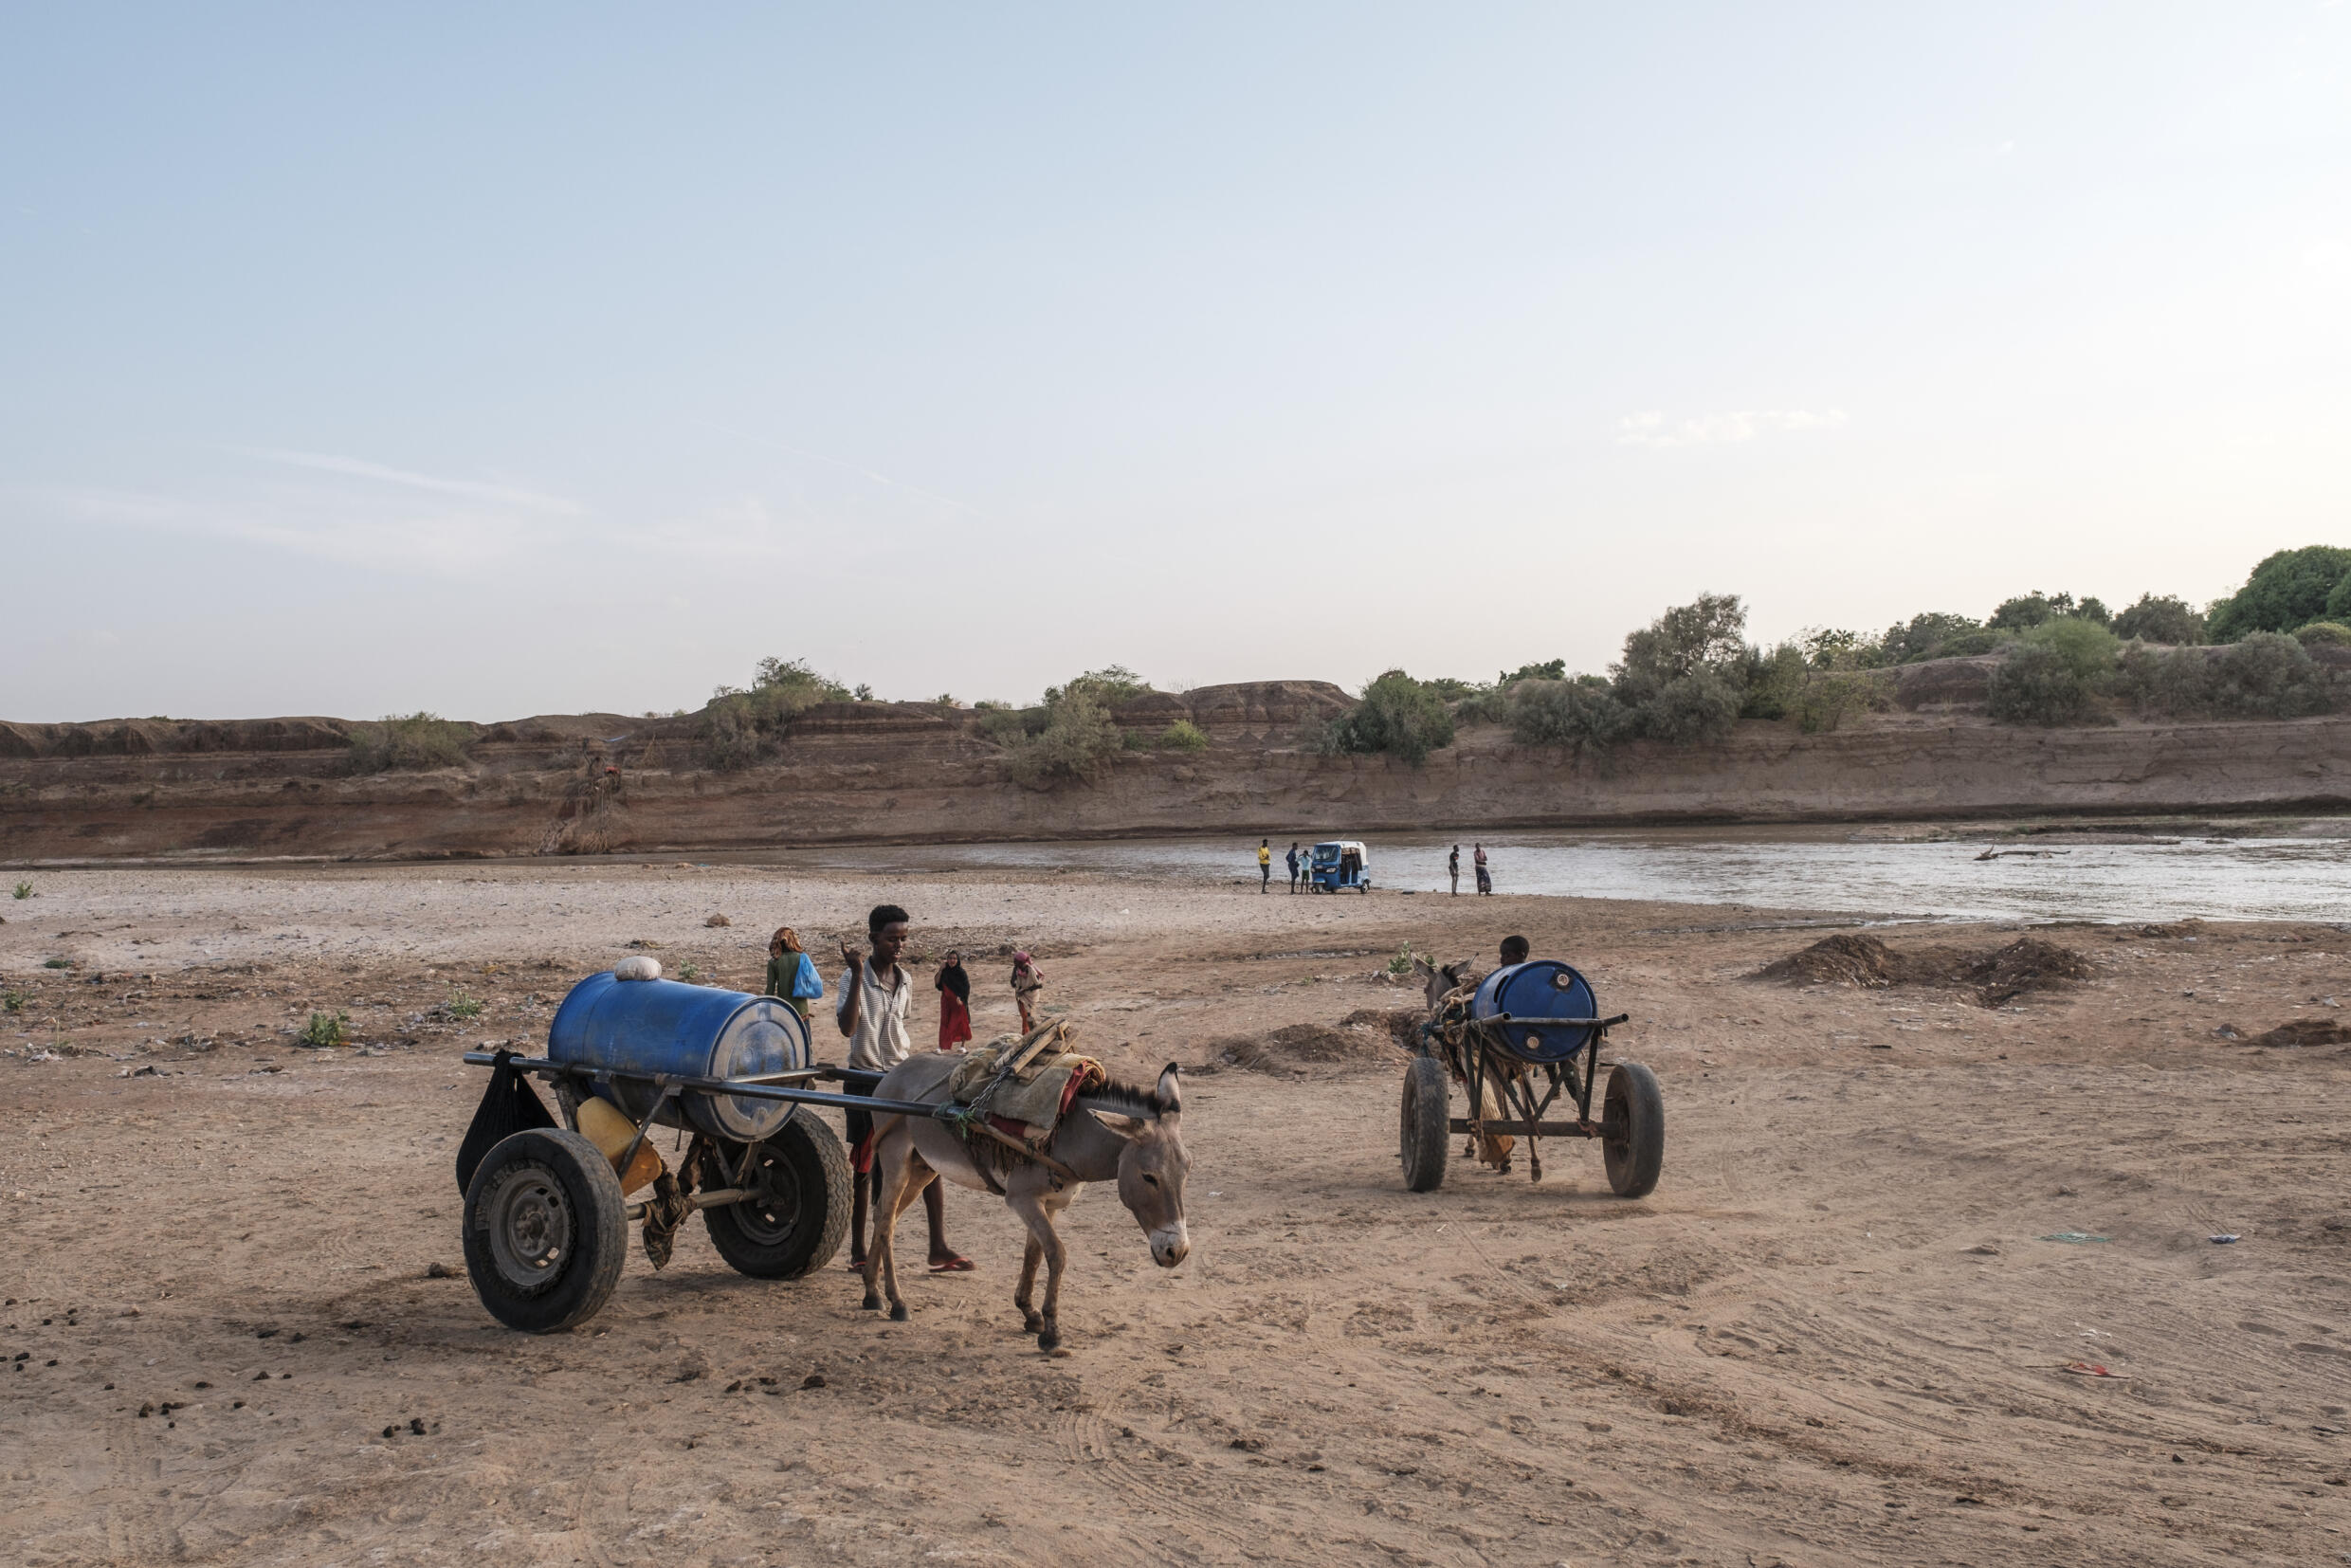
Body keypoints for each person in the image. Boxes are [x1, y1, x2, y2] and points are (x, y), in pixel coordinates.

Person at [837, 903, 970, 1274]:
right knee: (865, 1164)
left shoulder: (906, 980)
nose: (899, 945)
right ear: (873, 938)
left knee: (926, 1156)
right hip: (864, 1077)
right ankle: (859, 1249)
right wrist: (857, 973)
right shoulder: (854, 978)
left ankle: (938, 1247)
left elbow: (900, 1025)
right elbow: (848, 1028)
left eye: (904, 939)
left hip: (901, 1077)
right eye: (892, 939)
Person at [764, 927, 823, 1021]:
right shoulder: (802, 958)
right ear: (793, 940)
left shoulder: (773, 962)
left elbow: (770, 990)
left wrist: (765, 1012)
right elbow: (814, 982)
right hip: (802, 1012)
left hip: (784, 1011)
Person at [935, 950, 973, 1051]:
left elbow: (966, 988)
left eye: (954, 959)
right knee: (945, 1022)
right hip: (947, 1001)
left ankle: (963, 1046)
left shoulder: (961, 972)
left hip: (958, 1001)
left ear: (957, 960)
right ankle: (941, 1047)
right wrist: (940, 970)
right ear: (947, 960)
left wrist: (961, 998)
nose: (952, 960)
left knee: (962, 1022)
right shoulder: (945, 972)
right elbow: (937, 984)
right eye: (950, 958)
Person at [1011, 950, 1046, 1032]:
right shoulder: (1016, 969)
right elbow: (1012, 983)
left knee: (1029, 1016)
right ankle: (1026, 1033)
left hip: (1031, 995)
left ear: (1021, 962)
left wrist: (1025, 989)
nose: (1015, 964)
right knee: (1025, 1016)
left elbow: (1039, 985)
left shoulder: (1031, 970)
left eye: (1016, 962)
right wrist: (1018, 986)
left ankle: (1028, 1033)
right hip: (1021, 995)